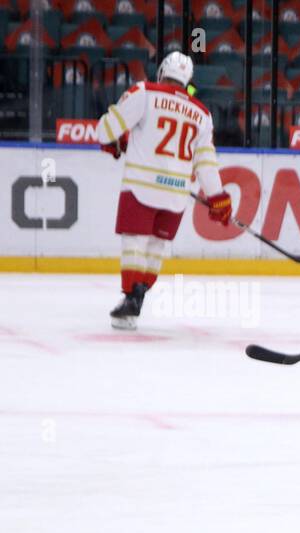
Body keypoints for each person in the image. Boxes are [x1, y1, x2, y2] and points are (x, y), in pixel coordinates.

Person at [95, 50, 231, 329]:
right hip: (176, 194)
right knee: (157, 244)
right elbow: (206, 162)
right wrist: (218, 197)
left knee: (135, 240)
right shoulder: (203, 114)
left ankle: (131, 296)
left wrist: (117, 138)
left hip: (141, 186)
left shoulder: (144, 92)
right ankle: (138, 297)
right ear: (188, 80)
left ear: (161, 72)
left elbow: (104, 132)